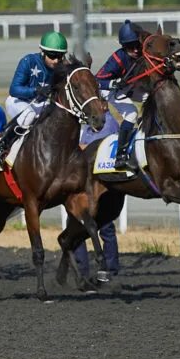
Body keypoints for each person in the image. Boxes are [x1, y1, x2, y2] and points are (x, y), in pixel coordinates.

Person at [0, 30, 67, 166]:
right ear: (42, 52)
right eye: (52, 55)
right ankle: (1, 148)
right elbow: (14, 89)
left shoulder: (62, 68)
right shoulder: (28, 61)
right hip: (19, 101)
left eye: (60, 56)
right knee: (29, 115)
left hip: (42, 105)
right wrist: (36, 90)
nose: (56, 61)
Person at [74, 110, 121, 278]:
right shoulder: (89, 124)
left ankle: (110, 270)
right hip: (87, 183)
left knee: (105, 227)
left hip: (103, 185)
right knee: (77, 226)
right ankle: (83, 272)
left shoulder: (109, 123)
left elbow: (94, 149)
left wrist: (81, 149)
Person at [96, 20, 145, 170]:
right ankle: (120, 156)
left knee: (152, 97)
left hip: (128, 86)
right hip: (109, 89)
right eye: (131, 46)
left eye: (138, 45)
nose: (136, 50)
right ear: (123, 46)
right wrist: (113, 83)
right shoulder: (116, 60)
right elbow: (97, 80)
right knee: (131, 113)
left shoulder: (142, 52)